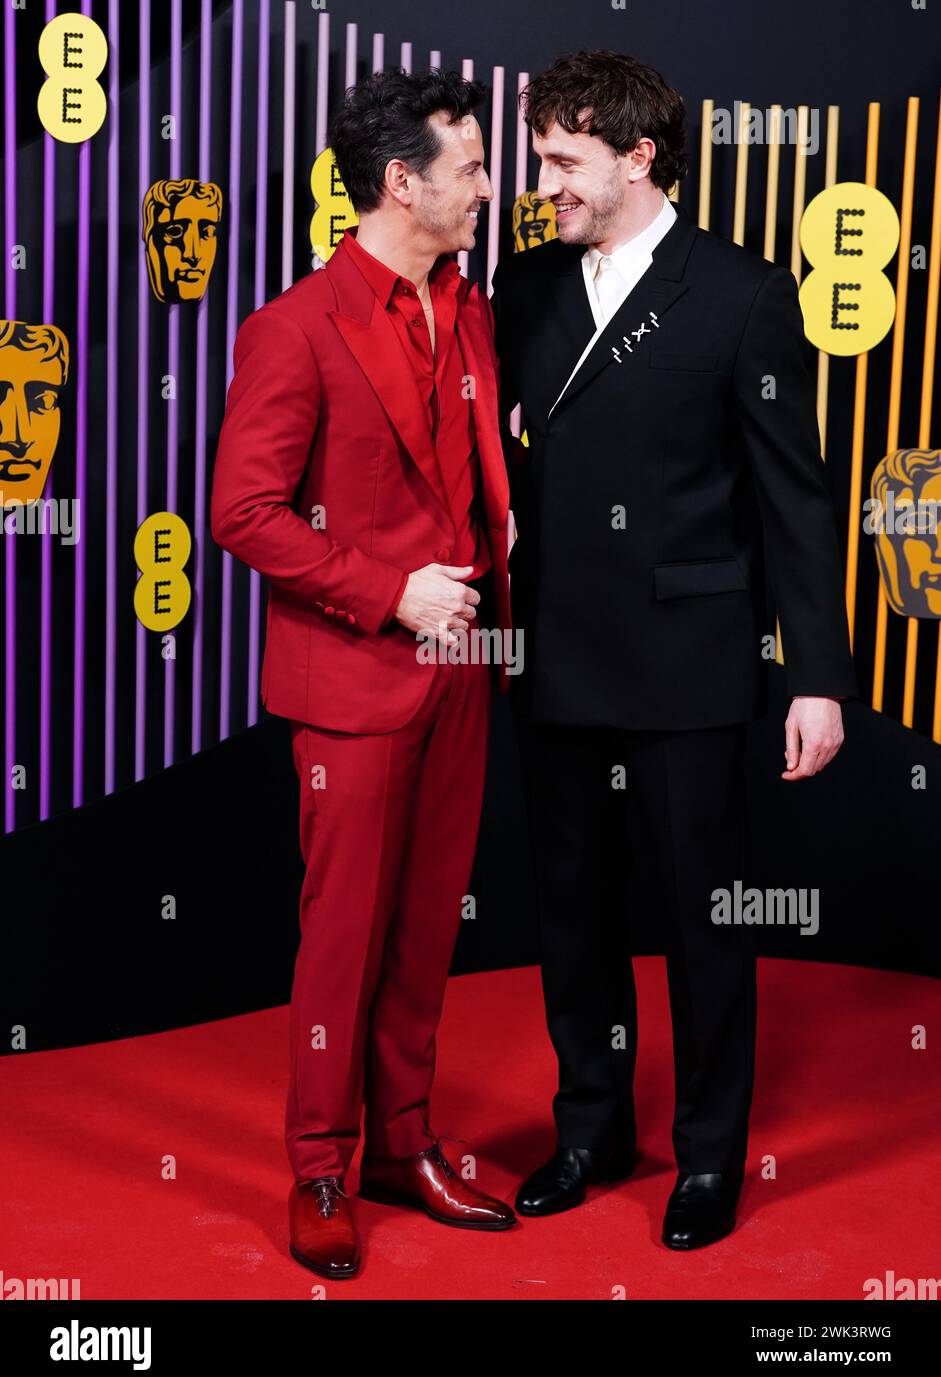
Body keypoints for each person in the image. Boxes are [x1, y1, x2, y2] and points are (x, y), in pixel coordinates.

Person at [490, 49, 859, 1250]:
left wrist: (813, 675)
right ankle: (589, 1129)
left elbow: (796, 501)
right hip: (551, 656)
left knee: (702, 924)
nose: (541, 182)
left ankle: (706, 1158)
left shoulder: (739, 291)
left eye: (563, 161)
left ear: (639, 158)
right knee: (571, 916)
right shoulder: (523, 284)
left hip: (689, 663)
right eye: (540, 156)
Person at [211, 67, 516, 1280]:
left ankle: (402, 1142)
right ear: (403, 182)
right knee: (342, 936)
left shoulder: (470, 306)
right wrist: (388, 591)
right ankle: (321, 1168)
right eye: (474, 167)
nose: (490, 188)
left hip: (464, 673)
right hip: (354, 677)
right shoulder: (292, 327)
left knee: (426, 928)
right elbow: (241, 510)